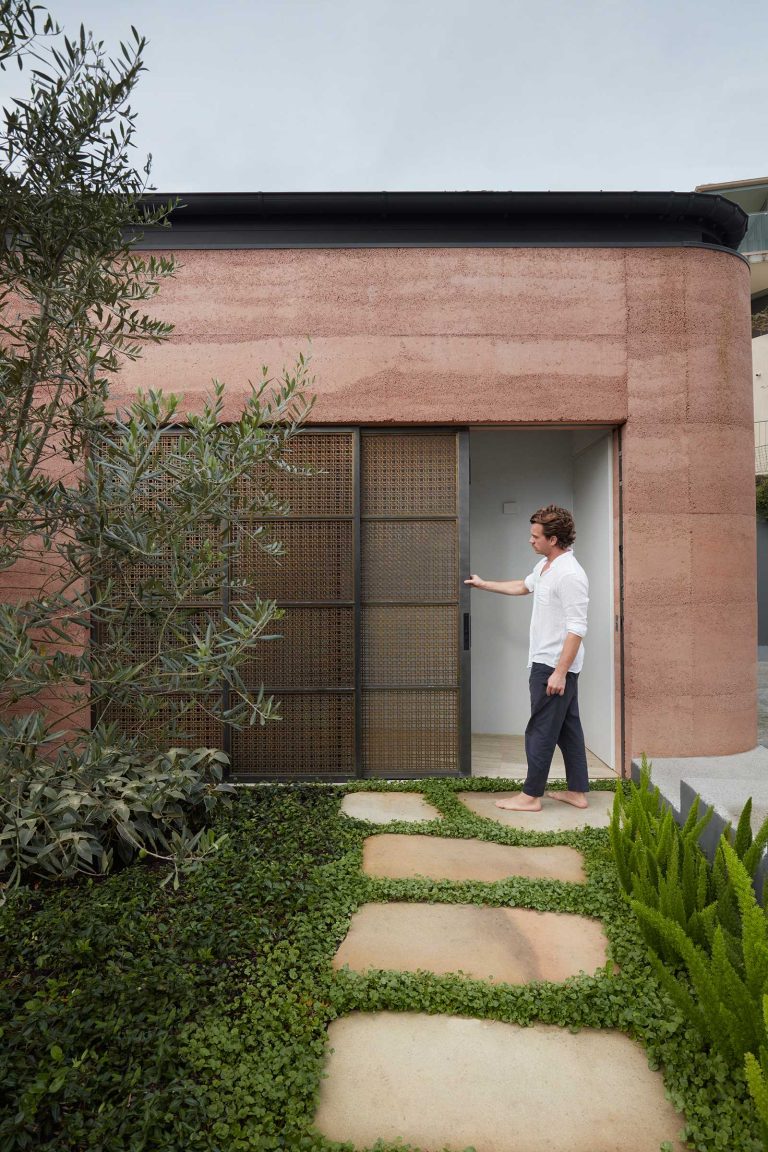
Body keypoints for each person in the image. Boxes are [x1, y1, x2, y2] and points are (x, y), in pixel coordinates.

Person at [464, 504, 589, 811]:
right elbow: (523, 586)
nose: (531, 541)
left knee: (541, 730)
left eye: (536, 536)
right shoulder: (546, 567)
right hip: (549, 663)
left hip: (552, 666)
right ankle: (577, 791)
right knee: (568, 729)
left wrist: (559, 672)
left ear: (554, 539)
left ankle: (530, 796)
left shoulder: (570, 575)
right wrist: (483, 584)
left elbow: (577, 627)